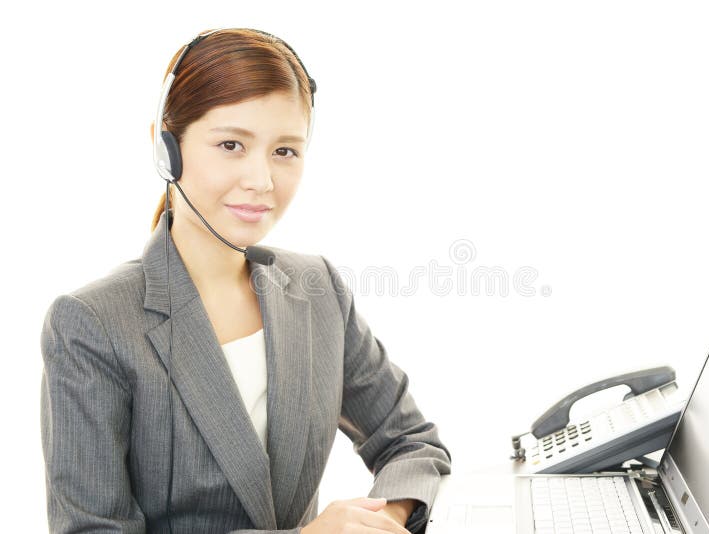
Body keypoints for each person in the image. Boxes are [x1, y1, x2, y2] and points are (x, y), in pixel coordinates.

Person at [39, 27, 451, 533]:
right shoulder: (92, 323)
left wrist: (383, 519)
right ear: (166, 148)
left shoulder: (317, 288)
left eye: (285, 151)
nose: (261, 180)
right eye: (231, 144)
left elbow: (410, 441)